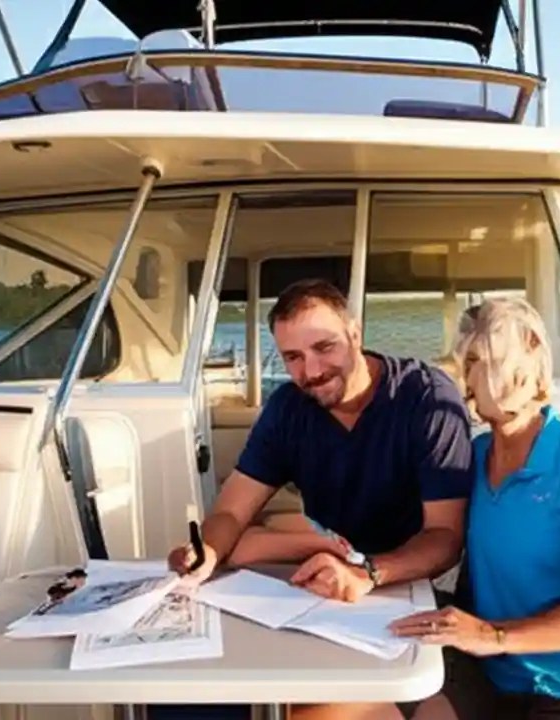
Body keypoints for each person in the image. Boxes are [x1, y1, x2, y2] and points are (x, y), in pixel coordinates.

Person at [165, 278, 475, 720]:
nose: (310, 371)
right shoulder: (288, 410)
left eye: (324, 347)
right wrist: (206, 552)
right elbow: (232, 510)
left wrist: (367, 573)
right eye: (293, 357)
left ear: (355, 332)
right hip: (326, 592)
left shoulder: (426, 398)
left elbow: (444, 536)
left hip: (414, 589)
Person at [390, 297, 560, 720]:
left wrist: (494, 636)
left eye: (483, 359)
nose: (470, 375)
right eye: (467, 361)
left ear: (530, 362)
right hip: (487, 672)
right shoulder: (475, 454)